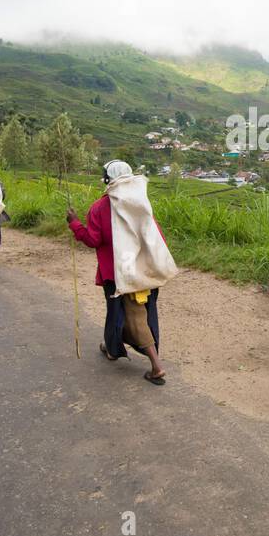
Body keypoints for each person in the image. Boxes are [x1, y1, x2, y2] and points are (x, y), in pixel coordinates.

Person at [67, 160, 178, 386]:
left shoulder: (99, 207)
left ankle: (156, 367)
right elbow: (155, 237)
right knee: (136, 312)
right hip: (146, 271)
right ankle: (111, 347)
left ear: (108, 179)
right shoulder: (141, 202)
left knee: (132, 317)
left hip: (119, 275)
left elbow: (93, 240)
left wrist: (75, 224)